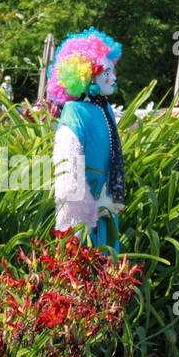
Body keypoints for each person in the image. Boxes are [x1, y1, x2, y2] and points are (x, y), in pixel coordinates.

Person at [50, 27, 126, 252]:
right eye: (106, 72)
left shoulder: (106, 110)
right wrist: (77, 219)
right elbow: (67, 173)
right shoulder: (74, 112)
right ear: (87, 74)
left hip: (106, 202)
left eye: (113, 71)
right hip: (85, 211)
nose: (113, 77)